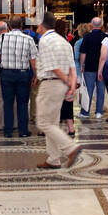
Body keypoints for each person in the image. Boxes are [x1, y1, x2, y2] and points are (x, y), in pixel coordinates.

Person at [35, 12, 81, 170]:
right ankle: (53, 159)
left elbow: (53, 66)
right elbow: (72, 68)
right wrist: (71, 85)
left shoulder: (45, 41)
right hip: (61, 84)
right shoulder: (64, 42)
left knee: (43, 122)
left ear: (41, 25)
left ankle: (71, 148)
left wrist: (66, 81)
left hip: (51, 83)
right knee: (52, 122)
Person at [0, 13, 37, 139]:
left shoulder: (2, 38)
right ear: (21, 25)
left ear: (9, 26)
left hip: (6, 73)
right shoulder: (28, 39)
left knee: (8, 103)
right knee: (23, 103)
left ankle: (8, 131)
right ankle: (23, 131)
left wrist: (3, 57)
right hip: (23, 74)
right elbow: (33, 60)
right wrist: (35, 75)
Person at [78, 17, 107, 122]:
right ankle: (99, 112)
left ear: (92, 25)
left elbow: (83, 53)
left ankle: (85, 112)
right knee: (101, 90)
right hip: (102, 68)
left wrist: (81, 65)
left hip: (89, 67)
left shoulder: (87, 37)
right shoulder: (105, 36)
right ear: (101, 25)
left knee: (88, 90)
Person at [55, 18, 77, 135]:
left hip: (54, 78)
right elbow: (71, 63)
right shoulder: (67, 44)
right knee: (68, 103)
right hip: (66, 76)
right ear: (64, 29)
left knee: (54, 104)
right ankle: (71, 128)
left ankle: (53, 128)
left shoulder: (50, 43)